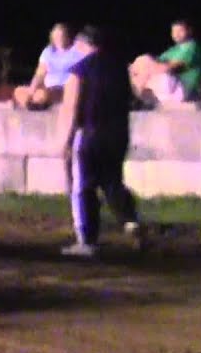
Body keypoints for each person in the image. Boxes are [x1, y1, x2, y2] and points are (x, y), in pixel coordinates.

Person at [59, 26, 143, 258]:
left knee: (83, 186)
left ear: (84, 45)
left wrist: (65, 141)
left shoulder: (80, 70)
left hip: (90, 134)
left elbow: (71, 107)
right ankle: (131, 221)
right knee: (112, 181)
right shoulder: (119, 68)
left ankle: (87, 239)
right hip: (118, 133)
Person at [128, 19, 201, 107]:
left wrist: (147, 67)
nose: (176, 34)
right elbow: (155, 62)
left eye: (180, 31)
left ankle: (135, 98)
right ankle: (136, 98)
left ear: (189, 31)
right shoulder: (174, 49)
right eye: (174, 31)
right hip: (169, 88)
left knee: (143, 62)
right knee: (140, 62)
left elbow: (171, 68)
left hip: (182, 89)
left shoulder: (192, 47)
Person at [13, 23, 82, 110]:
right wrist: (32, 89)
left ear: (68, 37)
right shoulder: (48, 51)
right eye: (56, 37)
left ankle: (35, 103)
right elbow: (40, 73)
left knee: (42, 95)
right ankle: (32, 104)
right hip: (47, 87)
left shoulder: (76, 51)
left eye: (61, 36)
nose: (58, 39)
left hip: (63, 88)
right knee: (19, 90)